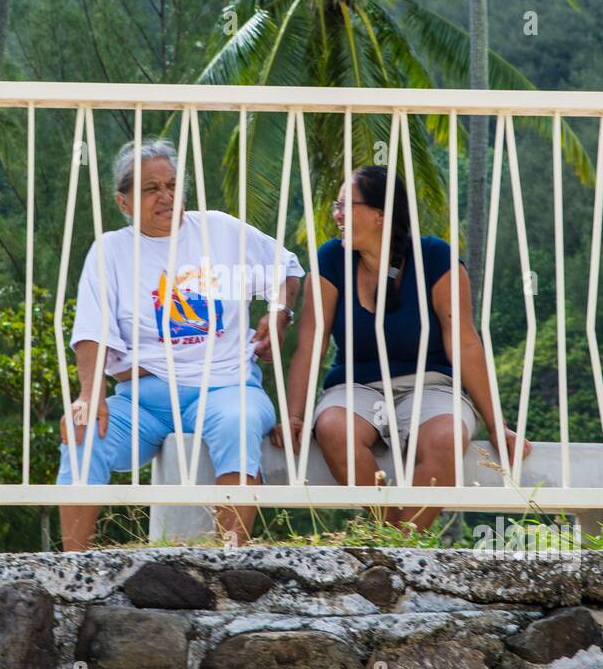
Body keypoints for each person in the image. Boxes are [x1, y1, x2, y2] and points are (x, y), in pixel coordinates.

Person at [58, 138, 303, 551]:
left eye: (172, 185)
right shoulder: (111, 251)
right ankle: (71, 567)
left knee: (239, 422)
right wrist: (88, 396)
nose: (166, 196)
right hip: (142, 401)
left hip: (226, 387)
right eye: (151, 189)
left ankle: (230, 560)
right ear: (124, 202)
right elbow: (92, 331)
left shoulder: (220, 230)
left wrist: (279, 314)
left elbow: (287, 268)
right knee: (83, 433)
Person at [276, 164, 531, 532]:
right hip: (356, 387)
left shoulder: (435, 258)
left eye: (346, 205)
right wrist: (297, 416)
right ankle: (393, 537)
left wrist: (497, 425)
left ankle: (395, 546)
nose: (336, 214)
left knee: (446, 440)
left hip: (433, 386)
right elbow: (310, 345)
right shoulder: (331, 259)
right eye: (337, 205)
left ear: (381, 215)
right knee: (333, 428)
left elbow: (465, 343)